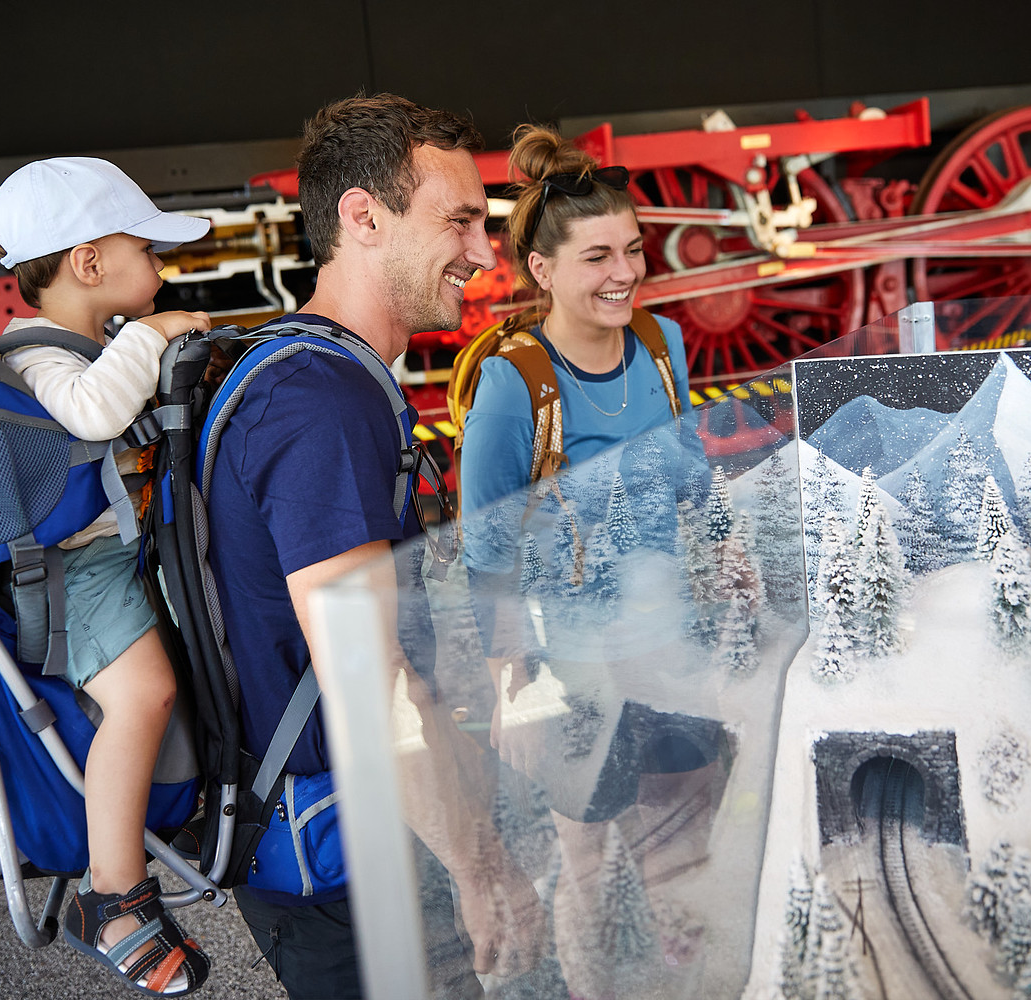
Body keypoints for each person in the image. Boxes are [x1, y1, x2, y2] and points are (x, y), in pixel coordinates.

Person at [203, 93, 543, 1000]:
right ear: (364, 216)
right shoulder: (320, 404)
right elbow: (367, 678)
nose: (482, 252)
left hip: (357, 835)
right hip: (347, 863)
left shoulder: (301, 371)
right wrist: (480, 870)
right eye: (461, 221)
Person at [460, 125, 725, 998]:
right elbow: (487, 553)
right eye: (598, 256)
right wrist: (510, 686)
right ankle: (594, 986)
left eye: (635, 250)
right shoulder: (516, 382)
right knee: (587, 858)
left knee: (682, 842)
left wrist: (726, 551)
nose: (625, 273)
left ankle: (691, 979)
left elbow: (689, 482)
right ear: (541, 271)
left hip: (669, 637)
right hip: (574, 660)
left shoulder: (663, 345)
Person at [0, 156, 214, 997]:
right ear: (88, 262)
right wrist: (154, 336)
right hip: (78, 574)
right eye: (147, 246)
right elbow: (90, 414)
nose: (160, 267)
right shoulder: (36, 360)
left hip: (119, 556)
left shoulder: (90, 346)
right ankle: (112, 896)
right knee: (143, 694)